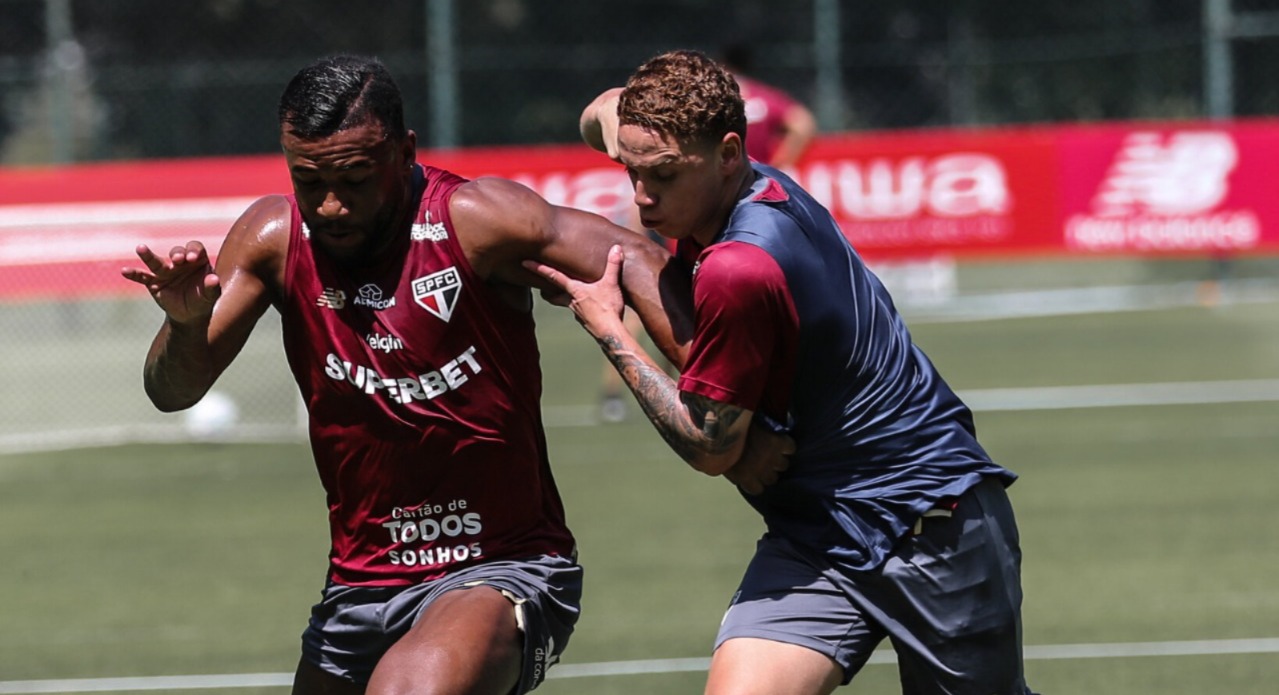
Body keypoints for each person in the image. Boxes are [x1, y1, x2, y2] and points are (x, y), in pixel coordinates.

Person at [121, 54, 696, 695]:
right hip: (359, 586)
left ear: (404, 152)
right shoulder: (274, 237)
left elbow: (639, 259)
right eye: (309, 182)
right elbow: (171, 391)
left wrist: (729, 399)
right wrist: (187, 325)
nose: (332, 206)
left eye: (356, 179)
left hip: (500, 567)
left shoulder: (478, 220)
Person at [539, 49, 1036, 695]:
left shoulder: (740, 265)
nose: (640, 195)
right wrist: (620, 130)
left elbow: (708, 446)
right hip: (815, 536)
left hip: (927, 525)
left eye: (660, 174)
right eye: (628, 170)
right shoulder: (724, 180)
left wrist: (607, 327)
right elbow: (601, 112)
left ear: (725, 154)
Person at [721, 42, 817, 169]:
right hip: (757, 177)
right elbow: (802, 123)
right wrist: (780, 164)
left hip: (722, 176)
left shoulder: (718, 97)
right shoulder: (762, 97)